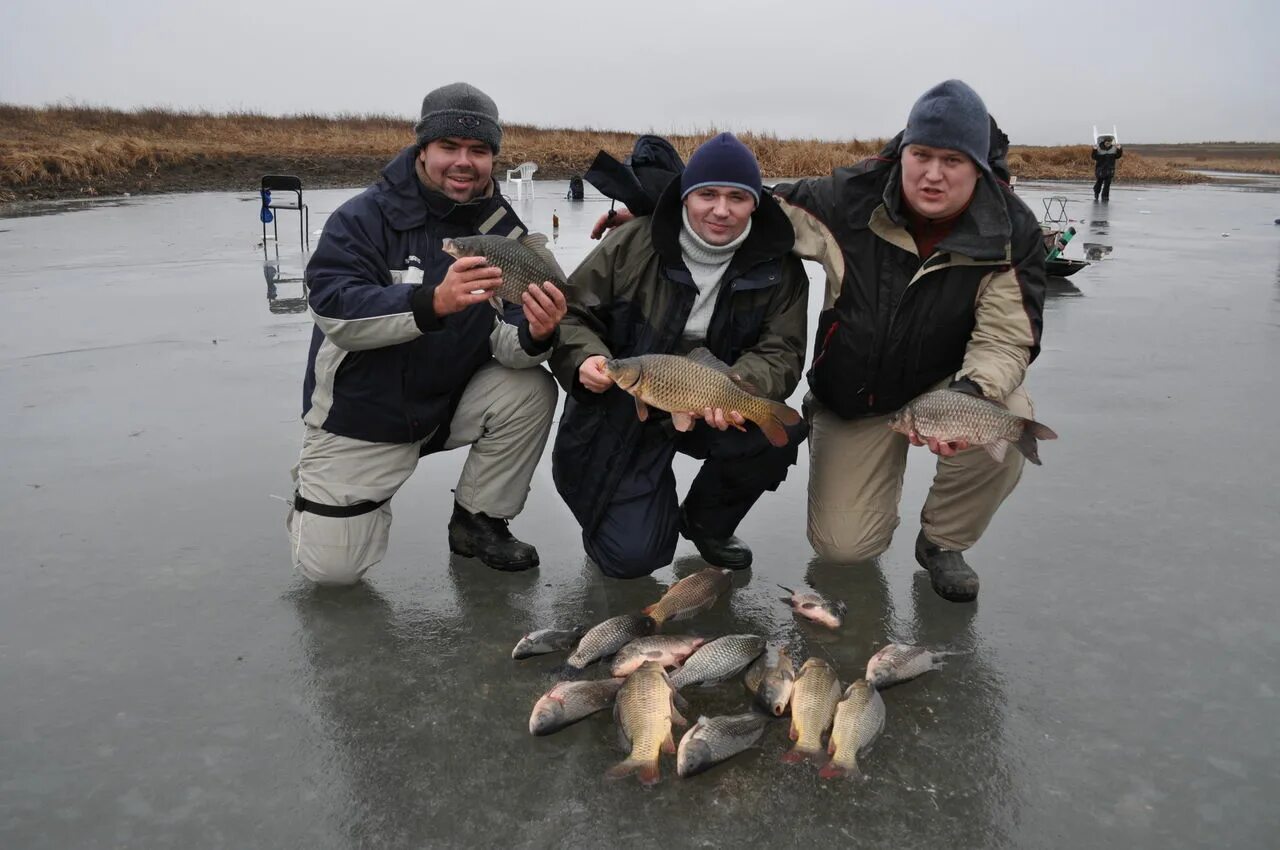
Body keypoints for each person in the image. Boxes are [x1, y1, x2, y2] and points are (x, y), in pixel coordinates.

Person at [770, 79, 1048, 602]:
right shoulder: (848, 198)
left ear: (978, 167)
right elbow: (752, 209)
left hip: (949, 380)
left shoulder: (1012, 231)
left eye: (953, 160)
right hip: (856, 393)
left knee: (1008, 416)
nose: (933, 174)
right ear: (903, 152)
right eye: (921, 155)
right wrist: (663, 213)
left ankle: (943, 541)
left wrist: (971, 395)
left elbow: (1006, 339)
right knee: (843, 548)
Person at [287, 82, 568, 585]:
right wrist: (432, 302)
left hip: (446, 405)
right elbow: (335, 310)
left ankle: (478, 519)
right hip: (365, 417)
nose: (463, 162)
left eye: (478, 150)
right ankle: (330, 497)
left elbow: (508, 340)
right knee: (331, 573)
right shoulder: (363, 217)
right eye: (449, 147)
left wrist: (537, 333)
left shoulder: (503, 232)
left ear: (492, 158)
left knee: (530, 387)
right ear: (423, 149)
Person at [550, 133, 809, 578]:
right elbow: (571, 314)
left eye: (737, 197)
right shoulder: (632, 242)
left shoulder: (780, 267)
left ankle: (706, 523)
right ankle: (618, 516)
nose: (721, 210)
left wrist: (737, 386)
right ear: (686, 196)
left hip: (712, 398)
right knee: (632, 557)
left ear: (755, 203)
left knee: (777, 430)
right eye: (708, 195)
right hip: (627, 407)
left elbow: (781, 351)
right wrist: (585, 359)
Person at [1091, 135, 1123, 201]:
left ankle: (1105, 197)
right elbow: (1094, 157)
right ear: (1104, 142)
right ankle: (1096, 192)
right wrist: (1094, 150)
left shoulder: (1113, 149)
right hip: (1100, 169)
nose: (1108, 143)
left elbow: (1118, 156)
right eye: (1107, 142)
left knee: (1107, 184)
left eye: (1109, 142)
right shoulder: (1099, 148)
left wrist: (1119, 149)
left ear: (1111, 142)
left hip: (1110, 169)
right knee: (1099, 182)